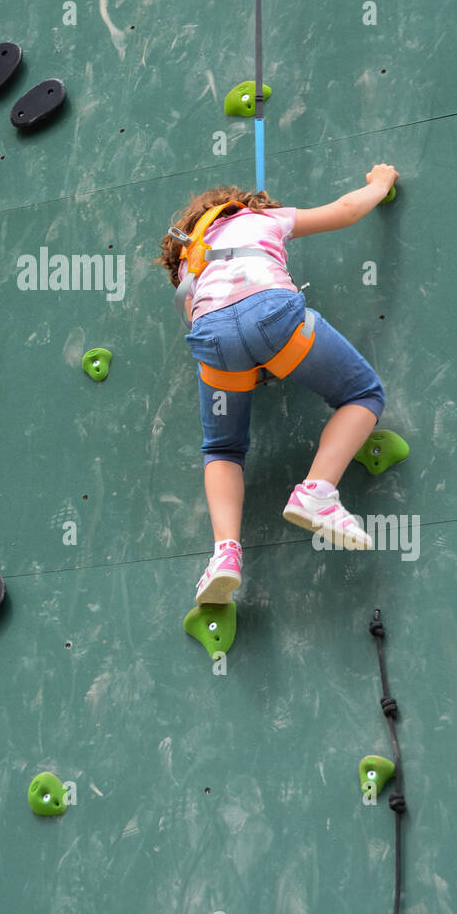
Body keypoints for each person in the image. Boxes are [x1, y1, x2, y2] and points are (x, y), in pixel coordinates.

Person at [157, 165, 399, 605]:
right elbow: (345, 211)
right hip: (274, 316)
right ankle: (317, 492)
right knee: (362, 395)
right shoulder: (265, 218)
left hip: (213, 337)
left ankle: (225, 554)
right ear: (246, 205)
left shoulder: (193, 257)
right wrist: (379, 185)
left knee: (223, 450)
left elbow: (197, 310)